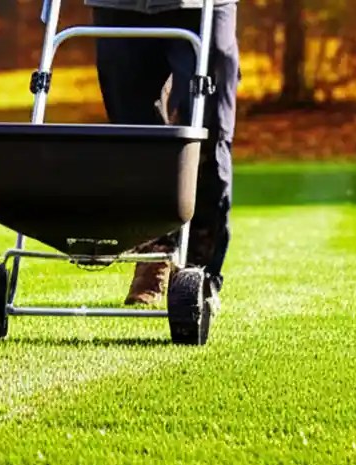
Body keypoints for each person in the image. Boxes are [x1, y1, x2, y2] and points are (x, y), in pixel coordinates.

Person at [83, 0, 240, 306]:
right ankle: (155, 257)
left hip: (202, 5)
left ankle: (199, 269)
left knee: (209, 129)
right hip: (120, 6)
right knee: (136, 137)